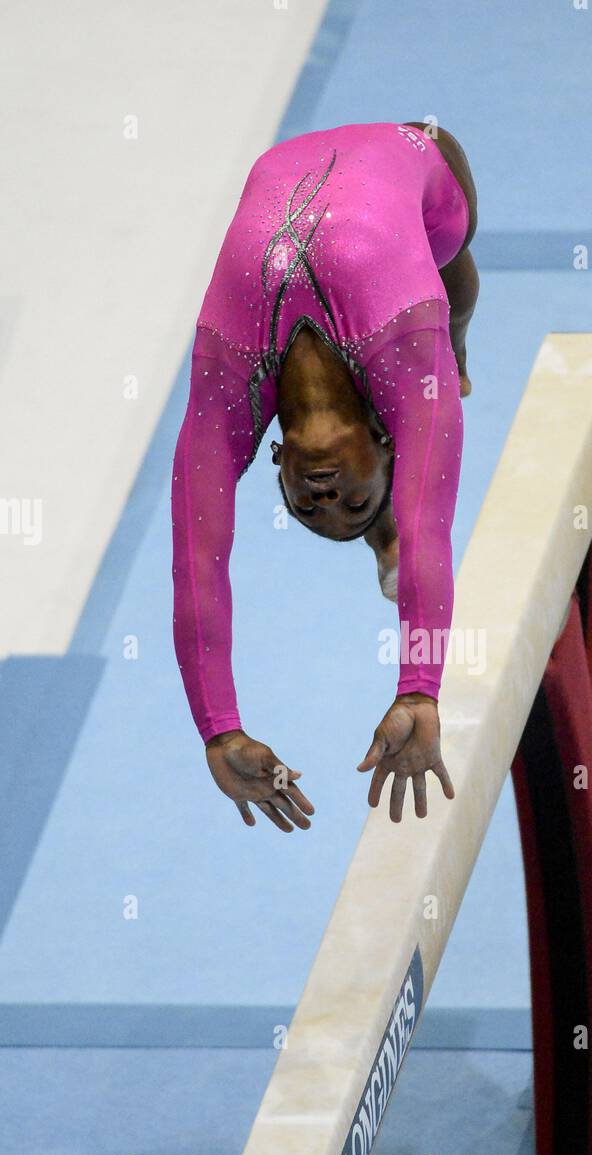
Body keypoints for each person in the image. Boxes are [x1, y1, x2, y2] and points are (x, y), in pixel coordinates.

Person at [171, 121, 479, 830]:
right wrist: (418, 691)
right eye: (353, 501)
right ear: (384, 440)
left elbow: (196, 564)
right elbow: (428, 532)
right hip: (421, 153)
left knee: (445, 299)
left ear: (273, 460)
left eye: (312, 511)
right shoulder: (409, 376)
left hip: (278, 159)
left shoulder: (228, 392)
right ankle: (459, 344)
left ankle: (385, 533)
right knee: (453, 282)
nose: (326, 497)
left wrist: (218, 729)